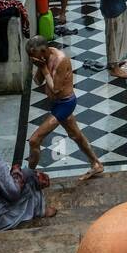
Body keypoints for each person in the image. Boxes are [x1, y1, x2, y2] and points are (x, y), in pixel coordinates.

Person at [26, 37, 105, 181]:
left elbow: (56, 89)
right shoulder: (43, 58)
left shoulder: (60, 60)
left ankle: (28, 175)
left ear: (43, 51)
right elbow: (38, 81)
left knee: (34, 140)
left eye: (33, 56)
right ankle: (96, 164)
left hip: (65, 104)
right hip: (55, 103)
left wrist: (43, 68)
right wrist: (38, 66)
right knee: (76, 135)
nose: (33, 59)